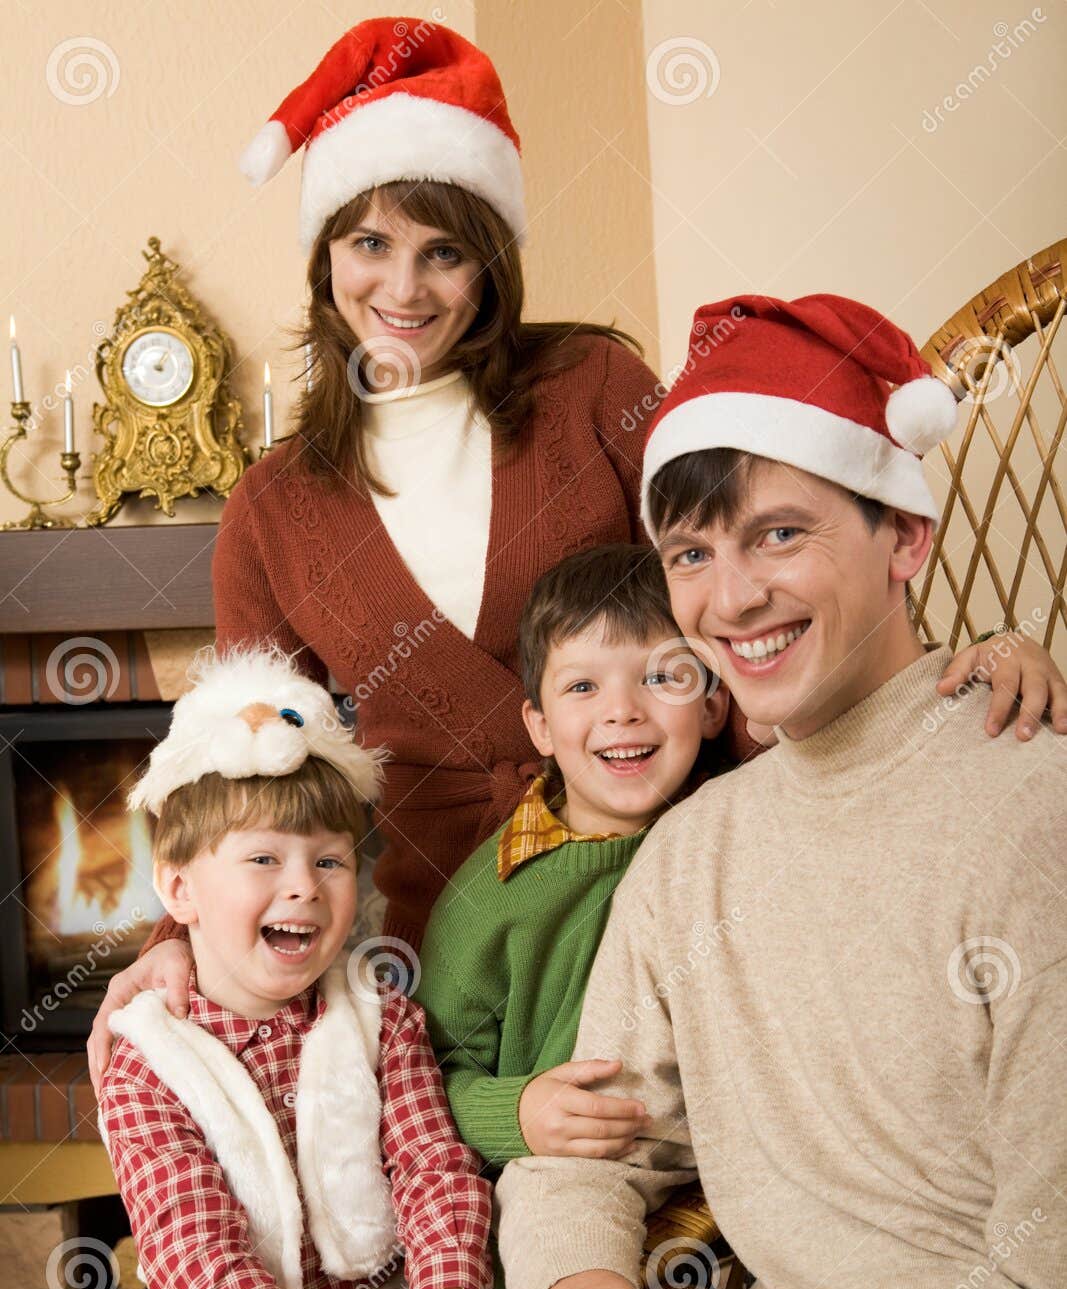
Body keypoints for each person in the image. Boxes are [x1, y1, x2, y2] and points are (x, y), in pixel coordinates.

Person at [86, 15, 1067, 1093]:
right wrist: (171, 939)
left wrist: (957, 662)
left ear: (490, 266)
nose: (403, 289)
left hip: (679, 877)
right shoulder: (272, 507)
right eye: (369, 244)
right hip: (442, 956)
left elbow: (760, 565)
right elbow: (248, 766)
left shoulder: (593, 387)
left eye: (443, 251)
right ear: (323, 259)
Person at [386, 294, 1067, 1289]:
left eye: (778, 535)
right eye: (688, 553)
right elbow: (581, 1150)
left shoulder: (1029, 817)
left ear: (901, 535)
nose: (729, 595)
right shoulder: (690, 853)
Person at [95, 646, 538, 1289]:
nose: (303, 886)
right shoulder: (147, 1058)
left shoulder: (380, 1013)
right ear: (178, 892)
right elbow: (194, 1262)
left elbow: (432, 1166)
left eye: (328, 860)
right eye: (263, 860)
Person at [414, 543, 728, 1185]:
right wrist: (518, 1112)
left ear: (714, 706)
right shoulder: (490, 896)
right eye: (583, 686)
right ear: (541, 729)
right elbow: (422, 1082)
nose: (622, 711)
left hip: (719, 1172)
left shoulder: (733, 832)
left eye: (663, 677)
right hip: (563, 1187)